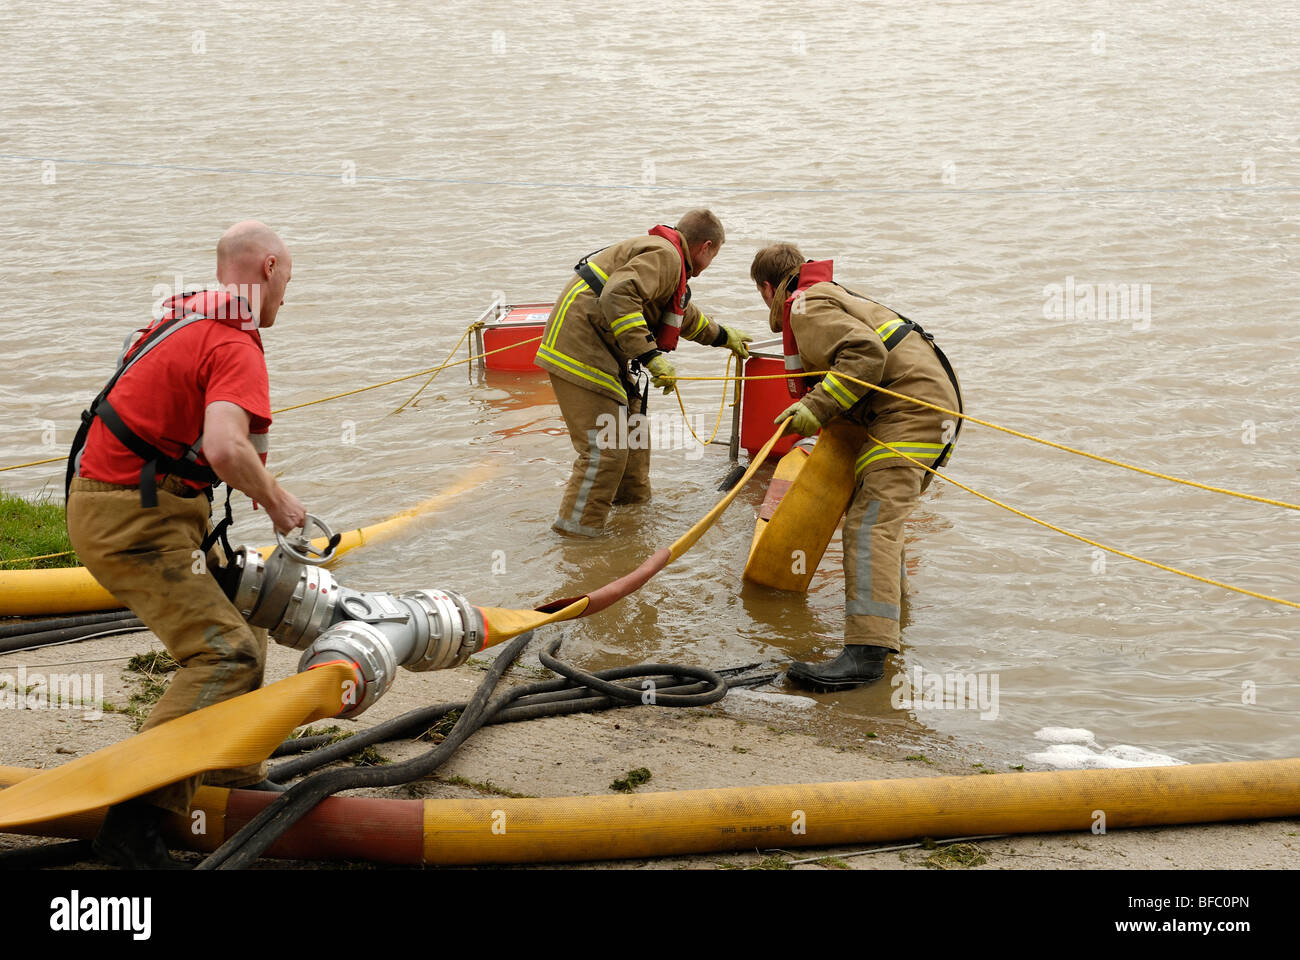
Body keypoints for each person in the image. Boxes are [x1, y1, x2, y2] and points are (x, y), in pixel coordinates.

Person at [65, 220, 307, 868]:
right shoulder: (235, 341)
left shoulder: (189, 314)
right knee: (226, 655)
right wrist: (280, 503)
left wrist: (256, 476)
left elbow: (218, 438)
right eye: (289, 278)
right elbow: (227, 445)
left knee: (248, 605)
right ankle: (134, 816)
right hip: (133, 518)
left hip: (148, 503)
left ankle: (229, 774)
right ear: (267, 270)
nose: (288, 294)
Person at [750, 242, 963, 691]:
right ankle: (890, 630)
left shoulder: (803, 305)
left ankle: (866, 656)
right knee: (882, 521)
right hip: (926, 409)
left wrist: (816, 406)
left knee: (870, 526)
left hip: (912, 413)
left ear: (768, 287)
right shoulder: (828, 295)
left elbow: (865, 354)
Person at [536, 210, 753, 536]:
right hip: (580, 349)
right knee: (606, 451)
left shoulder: (669, 259)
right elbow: (618, 295)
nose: (709, 266)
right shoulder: (666, 257)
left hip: (606, 354)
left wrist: (723, 335)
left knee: (634, 443)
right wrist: (651, 356)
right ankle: (575, 541)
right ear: (706, 247)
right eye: (714, 256)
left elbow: (683, 315)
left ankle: (630, 528)